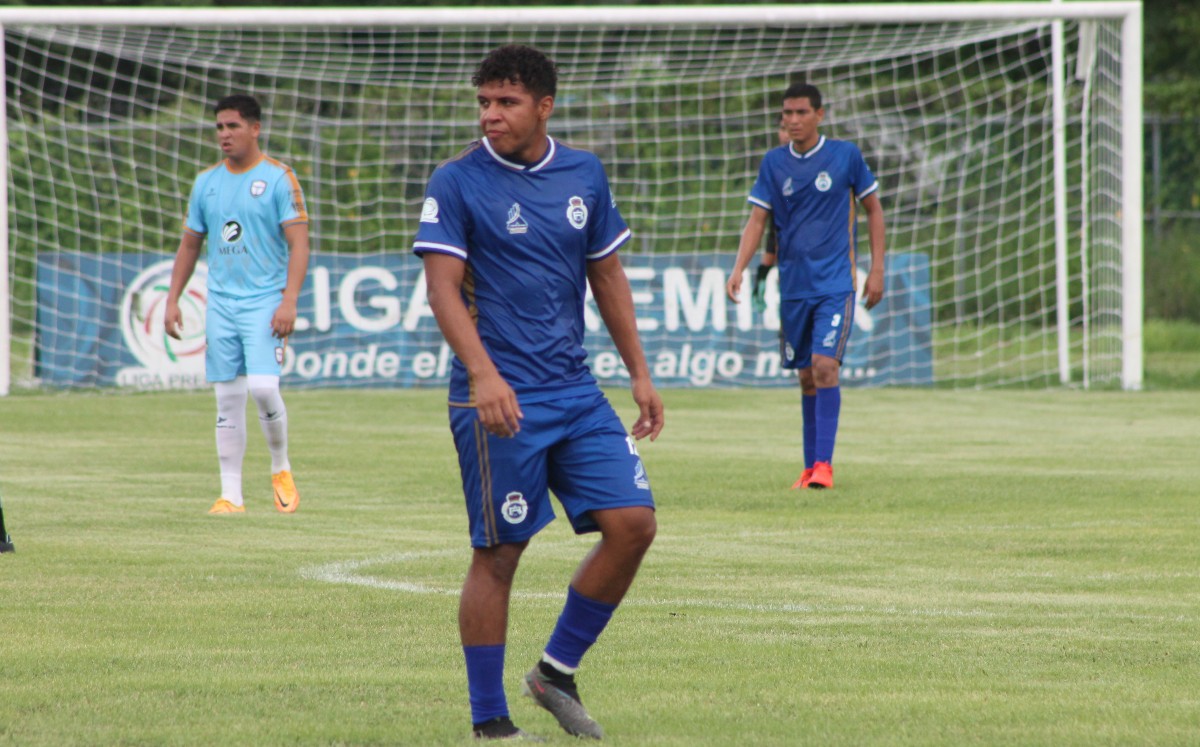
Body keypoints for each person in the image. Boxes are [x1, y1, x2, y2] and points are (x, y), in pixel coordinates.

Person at [412, 44, 663, 741]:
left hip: (575, 389)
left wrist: (639, 372)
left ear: (544, 107)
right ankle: (489, 720)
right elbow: (440, 288)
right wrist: (484, 374)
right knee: (500, 554)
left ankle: (554, 672)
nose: (490, 115)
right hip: (498, 398)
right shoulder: (457, 181)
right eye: (484, 102)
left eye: (507, 102)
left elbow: (607, 274)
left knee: (634, 524)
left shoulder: (584, 173)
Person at [726, 83, 885, 491]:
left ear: (820, 114)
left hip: (835, 283)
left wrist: (877, 269)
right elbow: (757, 221)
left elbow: (873, 209)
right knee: (806, 377)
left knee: (825, 366)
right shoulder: (774, 163)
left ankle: (824, 467)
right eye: (787, 113)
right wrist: (739, 267)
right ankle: (809, 467)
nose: (793, 120)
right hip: (794, 287)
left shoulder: (845, 156)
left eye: (801, 112)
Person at [164, 94, 310, 515]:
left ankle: (280, 467)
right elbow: (190, 244)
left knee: (263, 389)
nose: (224, 134)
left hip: (265, 301)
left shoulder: (279, 178)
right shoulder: (206, 183)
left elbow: (299, 244)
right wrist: (172, 299)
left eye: (233, 126)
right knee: (227, 398)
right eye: (219, 127)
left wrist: (289, 300)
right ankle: (231, 496)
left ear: (255, 129)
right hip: (222, 304)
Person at [750, 117, 792, 313]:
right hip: (783, 239)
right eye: (783, 129)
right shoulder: (772, 164)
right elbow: (759, 219)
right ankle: (760, 283)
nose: (786, 134)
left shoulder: (818, 163)